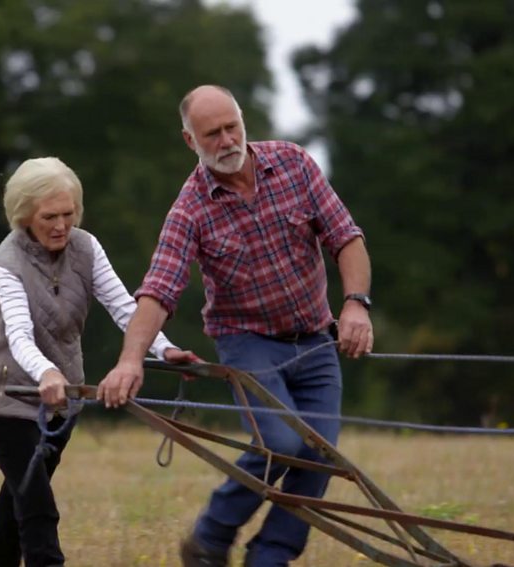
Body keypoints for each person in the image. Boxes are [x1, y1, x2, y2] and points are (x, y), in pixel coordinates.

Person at [96, 85, 374, 566]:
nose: (226, 140)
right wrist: (130, 360)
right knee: (283, 444)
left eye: (232, 127)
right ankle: (211, 535)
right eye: (213, 134)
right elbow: (160, 289)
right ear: (190, 141)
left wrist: (355, 305)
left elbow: (345, 237)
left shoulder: (294, 163)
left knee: (322, 454)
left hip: (314, 337)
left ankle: (270, 556)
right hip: (247, 344)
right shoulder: (190, 209)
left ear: (243, 121)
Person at [0, 156, 196, 567]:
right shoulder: (5, 264)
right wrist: (46, 372)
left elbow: (124, 307)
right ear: (24, 217)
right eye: (49, 217)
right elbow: (19, 334)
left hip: (62, 400)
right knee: (37, 507)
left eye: (68, 214)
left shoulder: (86, 247)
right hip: (8, 398)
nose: (60, 226)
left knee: (16, 504)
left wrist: (163, 349)